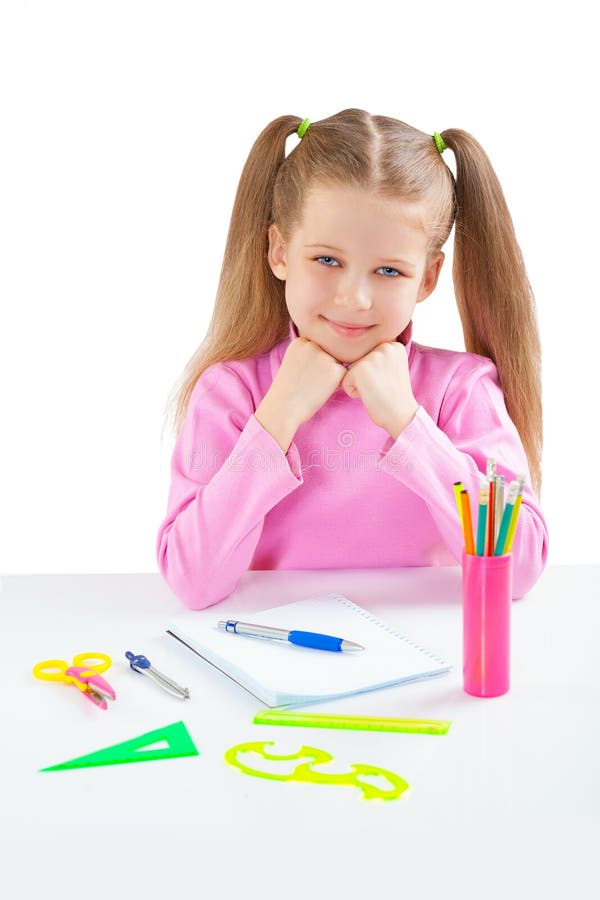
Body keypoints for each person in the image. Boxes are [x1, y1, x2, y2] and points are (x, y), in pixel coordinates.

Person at [156, 109, 549, 610]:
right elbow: (191, 581)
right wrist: (277, 416)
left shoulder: (462, 390)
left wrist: (409, 425)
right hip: (274, 655)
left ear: (427, 278)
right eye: (326, 260)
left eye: (388, 270)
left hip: (427, 662)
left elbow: (520, 571)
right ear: (279, 250)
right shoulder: (232, 391)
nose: (355, 298)